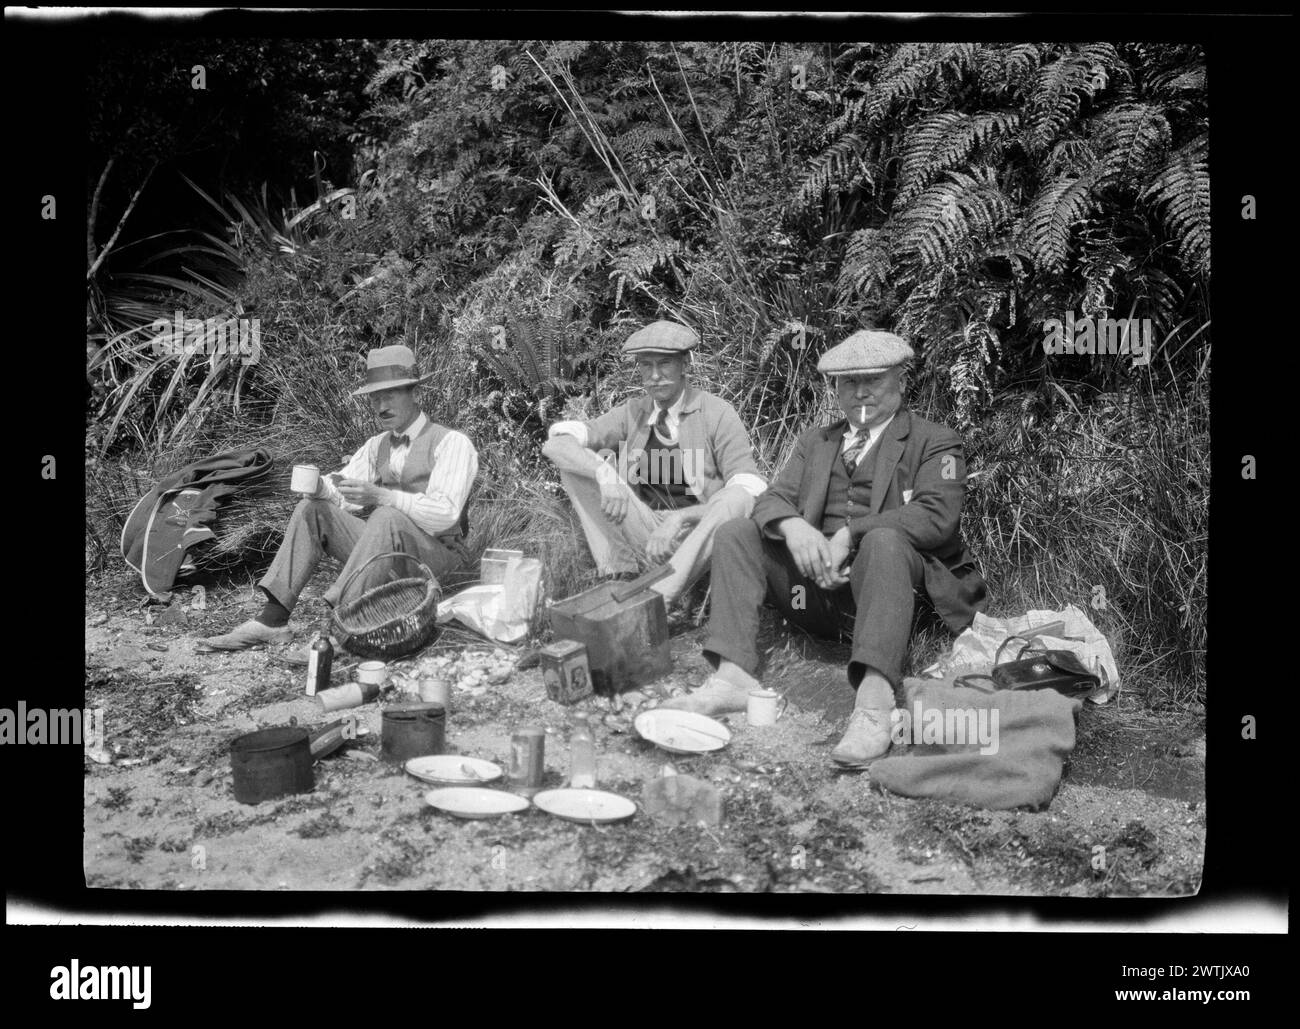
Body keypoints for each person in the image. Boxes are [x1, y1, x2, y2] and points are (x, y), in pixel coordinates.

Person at [661, 329, 988, 768]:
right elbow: (772, 499)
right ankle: (732, 677)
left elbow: (937, 517)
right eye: (849, 383)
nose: (861, 392)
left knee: (885, 541)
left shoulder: (937, 441)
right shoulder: (817, 441)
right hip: (816, 597)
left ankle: (874, 705)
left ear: (902, 381)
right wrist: (796, 528)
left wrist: (851, 534)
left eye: (873, 379)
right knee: (736, 531)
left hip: (893, 602)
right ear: (835, 388)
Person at [201, 344, 479, 649]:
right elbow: (344, 492)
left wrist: (382, 496)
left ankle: (337, 629)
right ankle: (272, 619)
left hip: (439, 560)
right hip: (389, 556)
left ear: (416, 394)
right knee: (313, 509)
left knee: (386, 514)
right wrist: (319, 487)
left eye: (390, 394)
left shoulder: (452, 443)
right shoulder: (377, 445)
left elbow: (446, 515)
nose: (380, 405)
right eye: (375, 397)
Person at [542, 320, 767, 607]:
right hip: (646, 530)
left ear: (685, 364)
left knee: (737, 496)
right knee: (575, 467)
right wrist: (603, 473)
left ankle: (662, 596)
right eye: (646, 365)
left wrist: (681, 518)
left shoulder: (716, 412)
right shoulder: (634, 412)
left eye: (664, 364)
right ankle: (621, 576)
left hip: (696, 534)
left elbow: (750, 486)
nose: (655, 375)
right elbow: (558, 442)